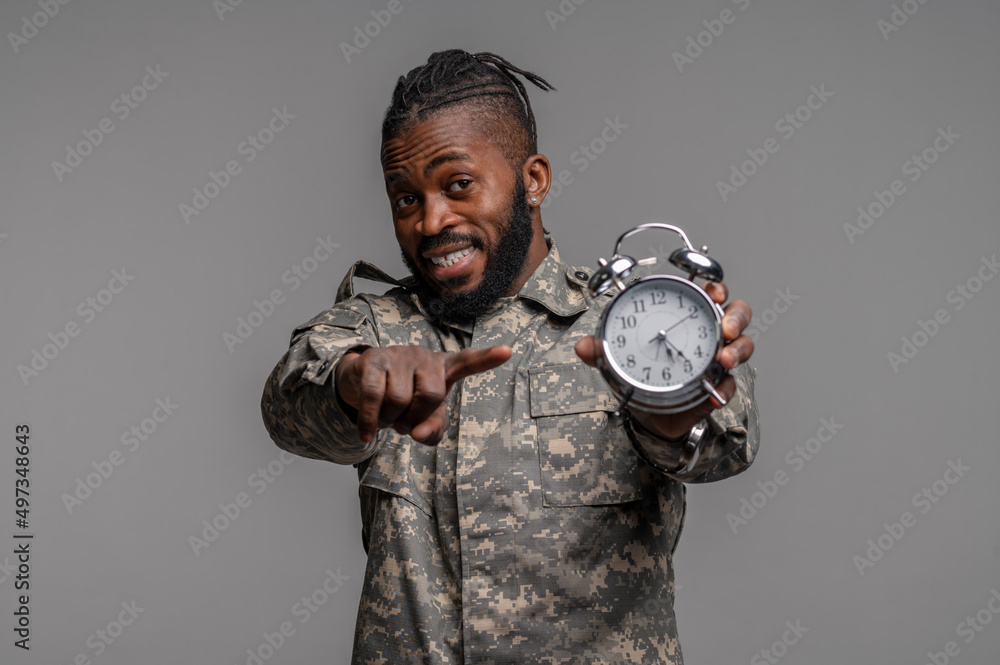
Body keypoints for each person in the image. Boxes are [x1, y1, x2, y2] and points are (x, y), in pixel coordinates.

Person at [260, 49, 759, 665]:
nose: (431, 220)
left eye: (458, 184)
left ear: (533, 180)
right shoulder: (376, 328)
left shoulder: (632, 326)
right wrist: (354, 380)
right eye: (405, 199)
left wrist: (674, 411)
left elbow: (728, 444)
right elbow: (288, 404)